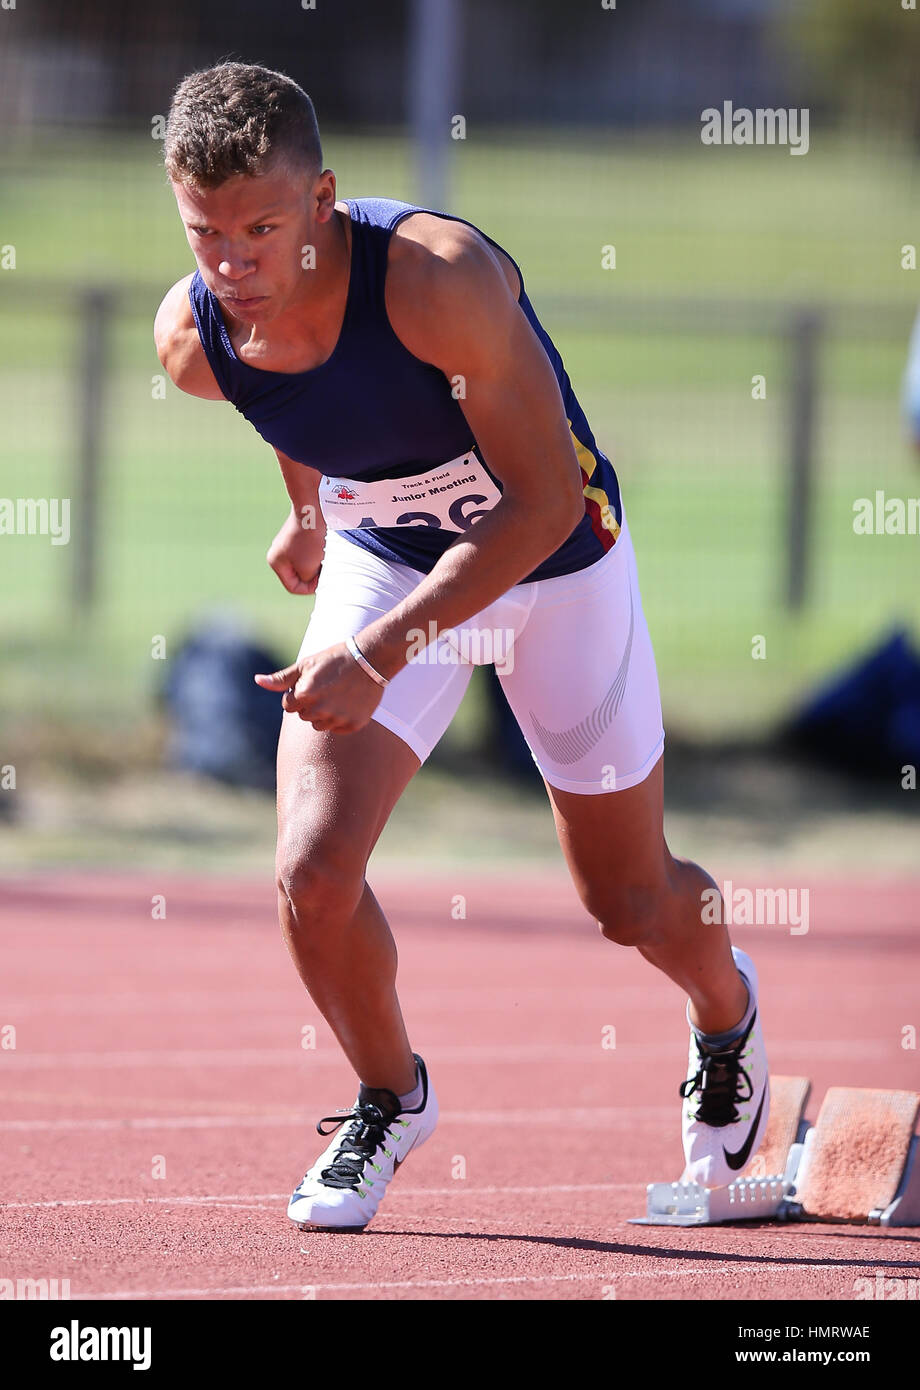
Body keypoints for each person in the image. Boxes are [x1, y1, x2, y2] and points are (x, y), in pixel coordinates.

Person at [154, 61, 769, 1232]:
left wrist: (379, 648)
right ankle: (390, 1096)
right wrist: (303, 513)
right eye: (204, 233)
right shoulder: (196, 336)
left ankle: (725, 1010)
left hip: (551, 561)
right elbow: (280, 402)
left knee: (629, 900)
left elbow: (537, 502)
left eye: (261, 230)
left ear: (324, 200)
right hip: (384, 558)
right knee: (311, 877)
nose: (231, 264)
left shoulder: (438, 282)